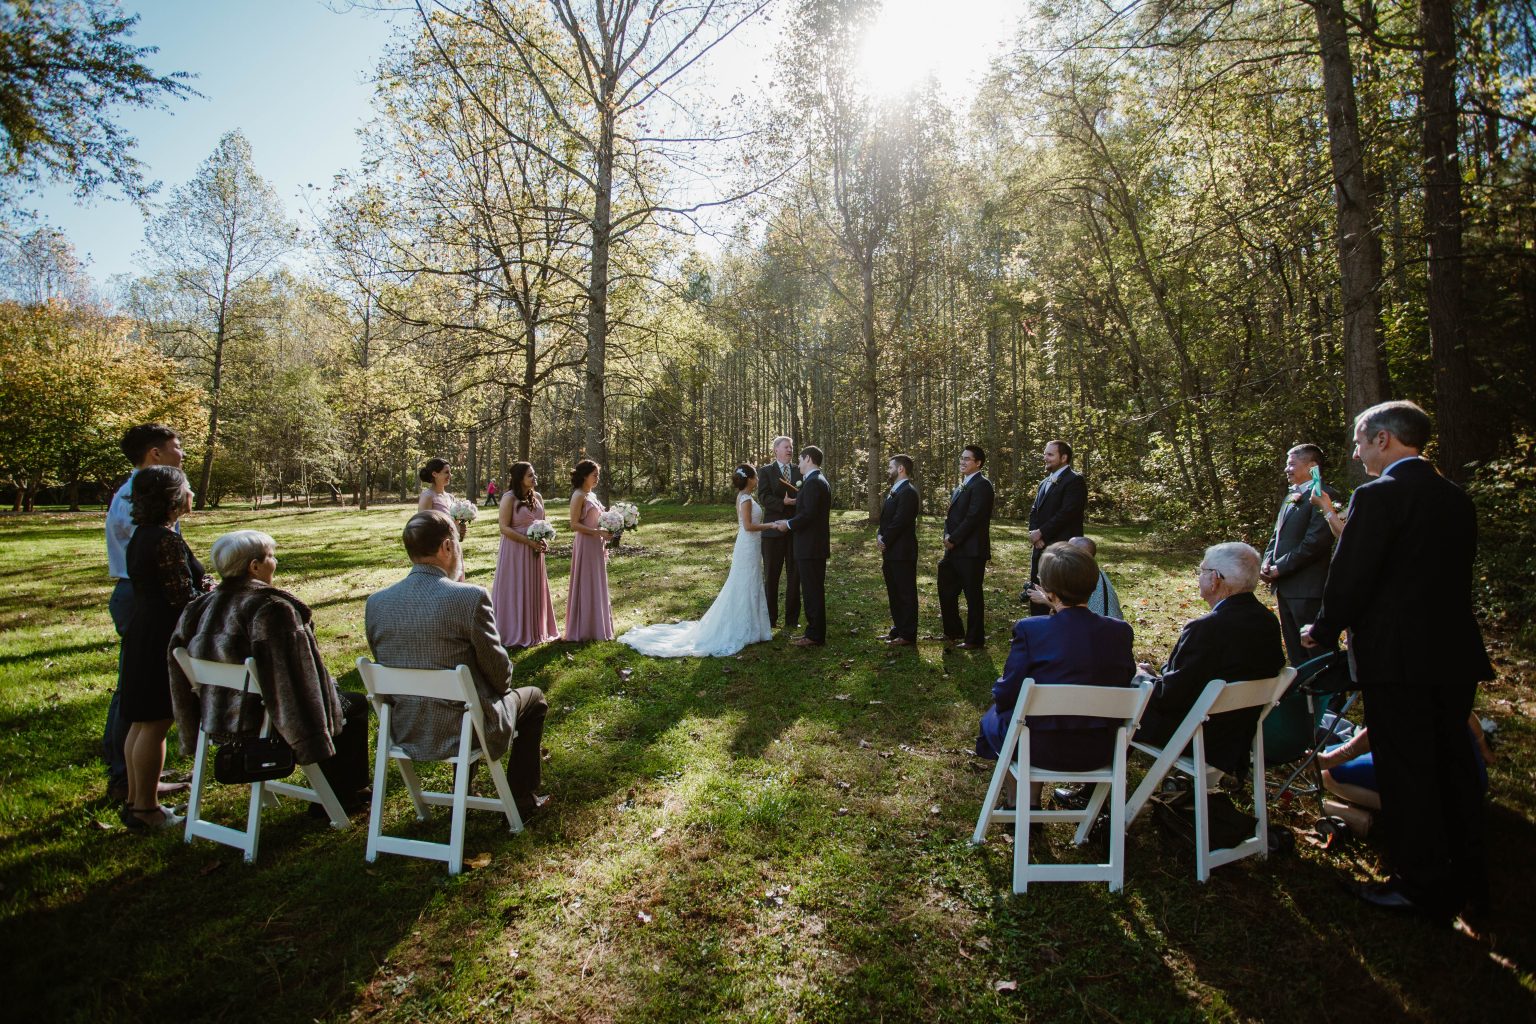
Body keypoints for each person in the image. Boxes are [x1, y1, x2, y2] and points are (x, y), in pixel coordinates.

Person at [1301, 400, 1494, 921]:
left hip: (1399, 656)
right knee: (1450, 759)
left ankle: (1420, 884)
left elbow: (1353, 573)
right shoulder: (1455, 497)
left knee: (1406, 768)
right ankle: (1468, 871)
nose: (1358, 451)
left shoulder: (1380, 495)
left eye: (1362, 441)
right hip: (1453, 651)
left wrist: (1323, 626)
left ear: (1385, 439)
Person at [168, 530, 371, 817]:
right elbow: (298, 683)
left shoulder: (197, 607)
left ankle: (343, 790)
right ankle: (342, 795)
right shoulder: (272, 609)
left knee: (339, 699)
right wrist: (316, 724)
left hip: (216, 716)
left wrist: (190, 726)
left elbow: (177, 672)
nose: (275, 562)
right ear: (254, 566)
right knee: (352, 704)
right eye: (271, 557)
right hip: (265, 719)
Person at [365, 510, 548, 817]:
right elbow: (501, 678)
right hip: (463, 728)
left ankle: (464, 788)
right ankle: (522, 799)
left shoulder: (376, 603)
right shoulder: (469, 598)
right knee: (534, 699)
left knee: (468, 696)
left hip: (404, 728)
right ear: (447, 547)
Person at [976, 543, 1137, 808]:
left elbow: (1006, 694)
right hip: (1103, 749)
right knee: (1026, 720)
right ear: (1094, 584)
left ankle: (1021, 804)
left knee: (1003, 717)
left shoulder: (1031, 630)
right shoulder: (1120, 631)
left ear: (1048, 591)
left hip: (1038, 747)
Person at [1135, 542, 1285, 779]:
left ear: (1215, 579)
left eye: (1202, 571)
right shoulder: (1268, 621)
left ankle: (1093, 793)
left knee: (1120, 703)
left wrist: (1143, 679)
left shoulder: (1207, 628)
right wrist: (1161, 673)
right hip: (1236, 736)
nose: (1199, 577)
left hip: (1196, 735)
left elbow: (1169, 698)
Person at [119, 466, 213, 829]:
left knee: (141, 723)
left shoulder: (143, 535)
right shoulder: (166, 539)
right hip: (162, 636)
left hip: (142, 631)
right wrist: (208, 592)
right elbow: (180, 598)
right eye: (187, 488)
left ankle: (134, 802)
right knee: (156, 722)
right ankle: (147, 809)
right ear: (173, 497)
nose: (191, 493)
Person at [102, 423, 189, 804]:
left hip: (141, 595)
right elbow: (173, 586)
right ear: (155, 453)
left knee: (140, 697)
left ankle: (142, 776)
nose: (182, 453)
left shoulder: (146, 501)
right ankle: (127, 779)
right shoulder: (138, 504)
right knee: (138, 697)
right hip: (141, 599)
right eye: (176, 446)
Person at [620, 465, 775, 657]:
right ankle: (743, 628)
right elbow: (749, 525)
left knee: (750, 582)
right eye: (756, 476)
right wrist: (772, 526)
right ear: (749, 479)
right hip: (747, 544)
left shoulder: (747, 497)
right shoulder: (745, 499)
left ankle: (753, 627)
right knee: (743, 583)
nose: (758, 479)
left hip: (749, 545)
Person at [1260, 443, 1342, 666]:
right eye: (1287, 465)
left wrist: (1280, 567)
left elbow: (1315, 541)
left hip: (1308, 588)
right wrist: (1266, 563)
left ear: (1312, 465)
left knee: (1318, 652)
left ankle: (1330, 700)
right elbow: (1276, 535)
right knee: (1296, 653)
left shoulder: (1325, 495)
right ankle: (1305, 699)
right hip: (1285, 587)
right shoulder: (1291, 496)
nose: (1287, 469)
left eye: (1292, 464)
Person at [492, 462, 560, 649]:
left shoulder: (537, 497)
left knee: (533, 586)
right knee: (516, 586)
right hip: (515, 549)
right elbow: (504, 528)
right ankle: (513, 629)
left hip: (535, 549)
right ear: (519, 478)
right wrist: (528, 541)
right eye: (530, 475)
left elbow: (542, 522)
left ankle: (535, 628)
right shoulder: (509, 498)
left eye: (534, 473)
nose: (534, 477)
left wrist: (543, 539)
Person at [771, 445, 831, 647]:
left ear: (808, 459)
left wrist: (787, 524)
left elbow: (809, 515)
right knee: (812, 590)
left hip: (811, 546)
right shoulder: (814, 481)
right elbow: (808, 508)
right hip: (811, 545)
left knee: (813, 591)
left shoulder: (814, 482)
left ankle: (814, 635)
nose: (798, 463)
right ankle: (813, 632)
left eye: (801, 459)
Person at [937, 444, 994, 649]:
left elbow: (974, 517)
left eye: (967, 459)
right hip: (952, 549)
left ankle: (975, 638)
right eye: (961, 458)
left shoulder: (982, 485)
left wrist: (954, 538)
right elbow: (951, 517)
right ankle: (953, 631)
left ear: (978, 463)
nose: (962, 461)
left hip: (971, 550)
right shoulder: (960, 485)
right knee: (946, 590)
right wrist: (946, 536)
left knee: (973, 595)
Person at [1023, 439, 1087, 613]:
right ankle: (1037, 630)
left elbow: (1067, 513)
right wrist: (1035, 534)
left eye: (1050, 454)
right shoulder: (1044, 483)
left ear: (1064, 457)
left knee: (1059, 595)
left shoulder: (1074, 481)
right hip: (1040, 547)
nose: (1045, 458)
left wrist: (1042, 532)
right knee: (1037, 591)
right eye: (1045, 453)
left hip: (1061, 550)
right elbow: (1034, 511)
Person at [564, 459, 615, 642]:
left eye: (598, 475)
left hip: (597, 543)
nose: (597, 478)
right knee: (586, 583)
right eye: (594, 475)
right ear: (584, 476)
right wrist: (597, 532)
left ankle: (598, 625)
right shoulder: (578, 495)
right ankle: (584, 627)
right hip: (586, 543)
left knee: (597, 582)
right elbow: (574, 524)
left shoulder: (591, 494)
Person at [757, 435, 802, 631]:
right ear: (776, 450)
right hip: (772, 531)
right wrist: (782, 503)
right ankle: (771, 618)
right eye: (786, 447)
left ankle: (792, 620)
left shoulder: (799, 470)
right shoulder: (766, 471)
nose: (790, 450)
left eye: (791, 447)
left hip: (794, 531)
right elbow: (763, 496)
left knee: (795, 576)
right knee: (772, 576)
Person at [877, 454, 920, 646]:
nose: (888, 470)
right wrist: (879, 534)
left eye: (890, 467)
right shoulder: (895, 490)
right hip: (891, 550)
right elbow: (886, 519)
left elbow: (901, 521)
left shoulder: (908, 492)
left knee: (905, 592)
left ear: (900, 468)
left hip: (902, 551)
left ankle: (908, 633)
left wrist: (885, 539)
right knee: (894, 591)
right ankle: (898, 628)